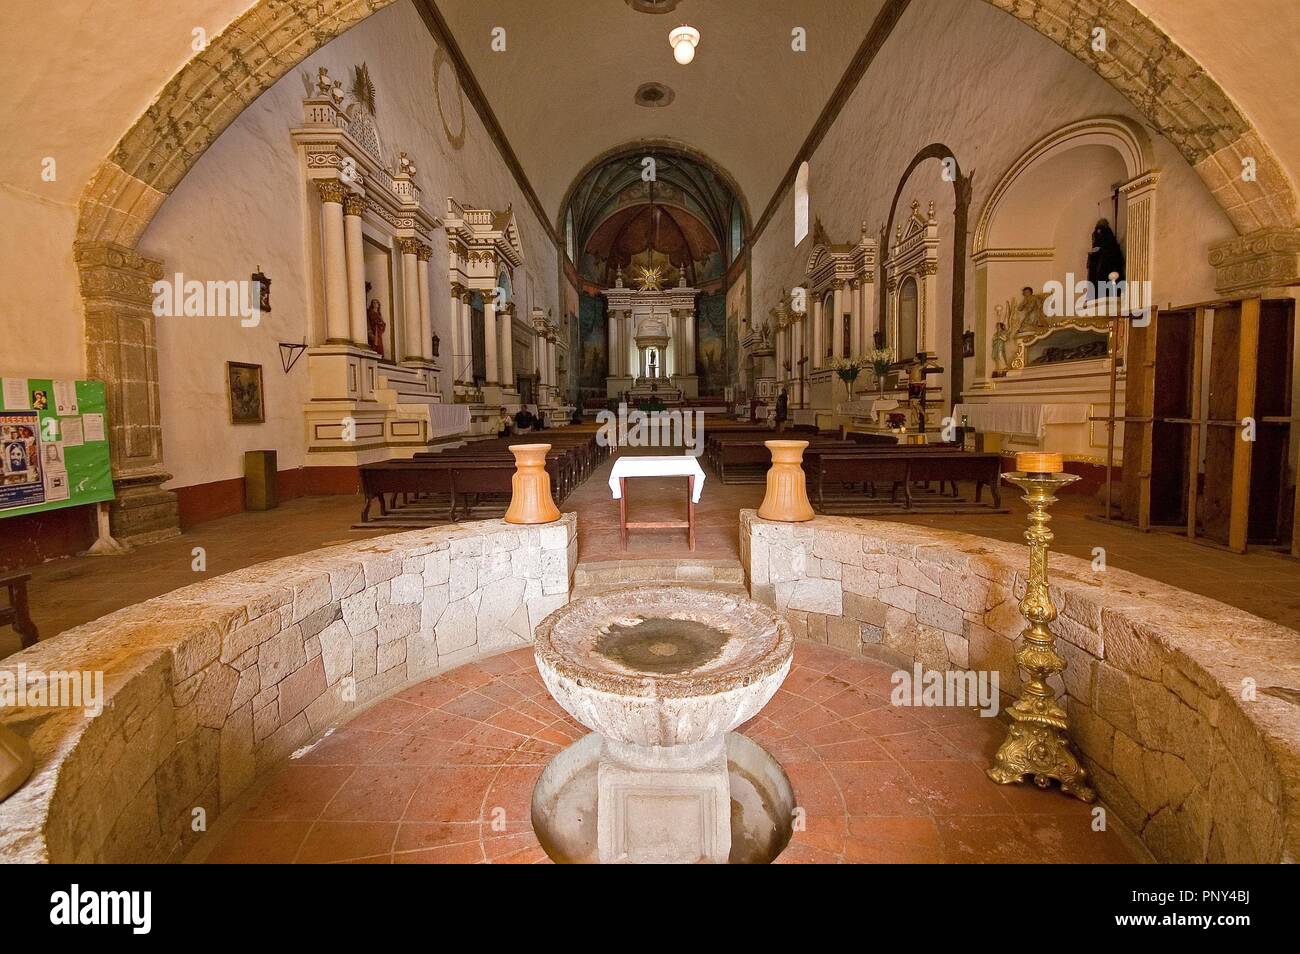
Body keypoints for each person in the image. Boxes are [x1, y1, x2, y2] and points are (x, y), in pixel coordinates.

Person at [1087, 218, 1125, 296]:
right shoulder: (1100, 233)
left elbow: (1110, 247)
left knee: (1103, 277)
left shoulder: (1106, 233)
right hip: (1101, 261)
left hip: (1107, 264)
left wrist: (1099, 250)